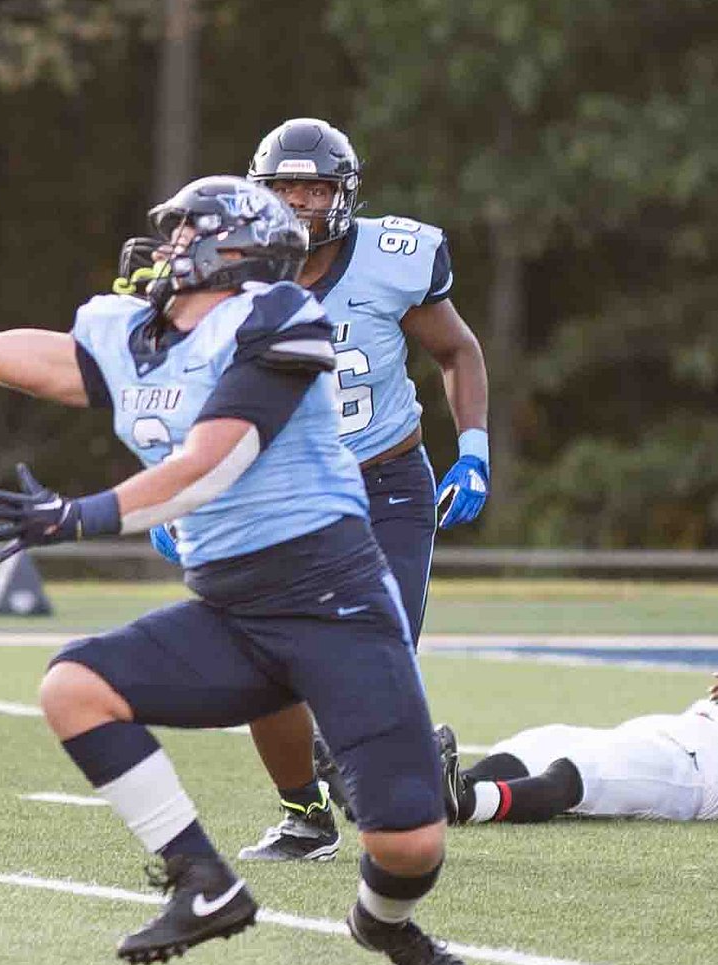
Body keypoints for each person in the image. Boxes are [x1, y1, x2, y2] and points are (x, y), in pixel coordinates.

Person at [0, 176, 469, 965]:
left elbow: (212, 462)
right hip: (234, 609)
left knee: (408, 846)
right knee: (74, 687)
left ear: (240, 252)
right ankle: (202, 880)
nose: (168, 248)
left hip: (334, 603)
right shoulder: (128, 334)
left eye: (188, 233)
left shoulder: (275, 318)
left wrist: (82, 516)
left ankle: (380, 922)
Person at [175, 118, 490, 863]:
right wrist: (179, 486)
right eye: (286, 188)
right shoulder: (231, 267)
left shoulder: (391, 259)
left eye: (315, 189)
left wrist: (473, 448)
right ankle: (306, 814)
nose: (300, 203)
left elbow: (456, 349)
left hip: (385, 483)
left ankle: (398, 764)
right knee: (263, 661)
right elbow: (190, 383)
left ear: (343, 194)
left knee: (374, 661)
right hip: (280, 493)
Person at [437, 617, 718, 825]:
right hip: (656, 739)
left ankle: (470, 803)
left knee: (579, 772)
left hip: (695, 776)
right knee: (540, 742)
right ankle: (438, 792)